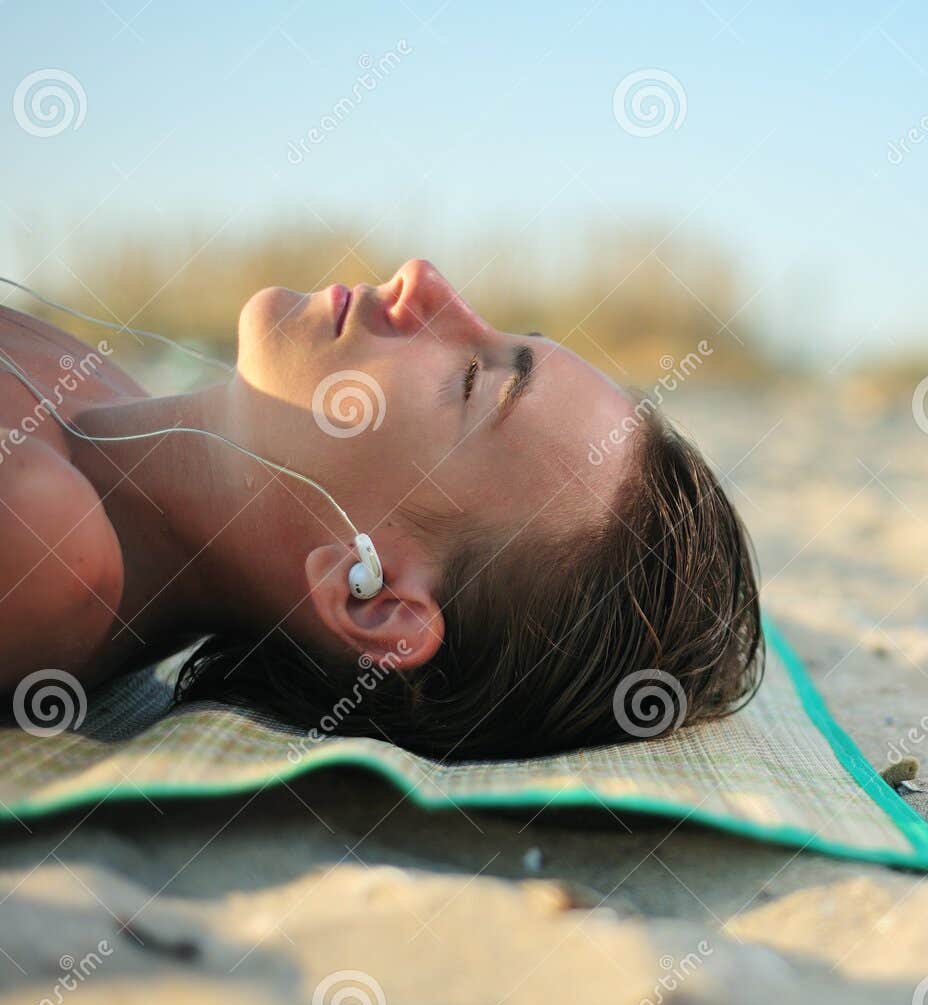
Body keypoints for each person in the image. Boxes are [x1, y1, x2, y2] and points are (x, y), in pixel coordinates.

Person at [0, 259, 762, 758]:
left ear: (378, 600)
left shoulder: (44, 547)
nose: (427, 282)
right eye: (502, 332)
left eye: (470, 380)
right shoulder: (101, 392)